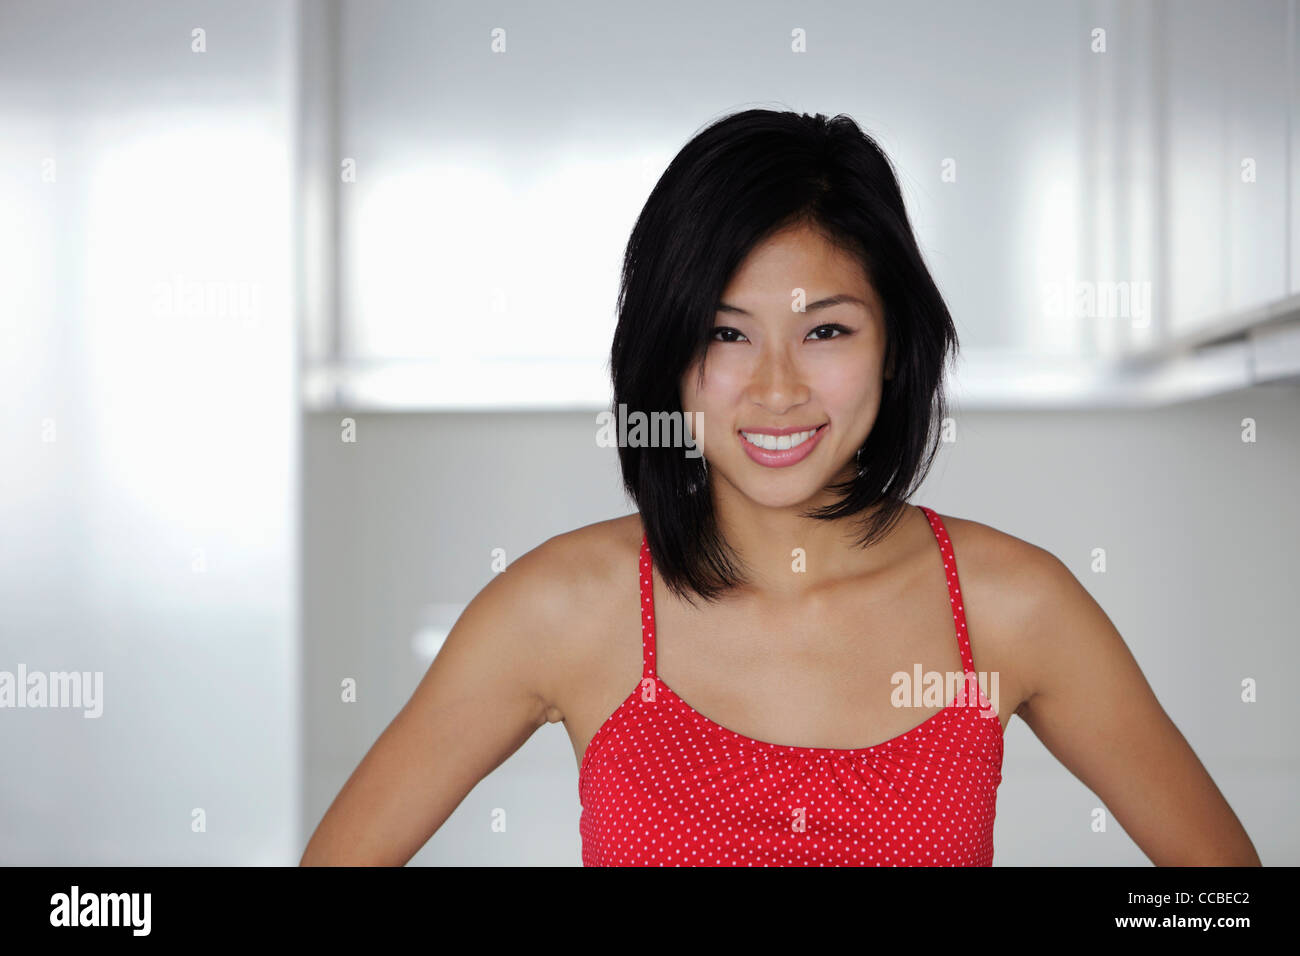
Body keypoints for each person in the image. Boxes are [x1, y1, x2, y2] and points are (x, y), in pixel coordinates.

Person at [300, 109, 1261, 866]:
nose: (774, 387)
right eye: (726, 333)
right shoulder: (560, 608)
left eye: (826, 331)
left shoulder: (1016, 607)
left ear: (895, 350)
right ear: (669, 358)